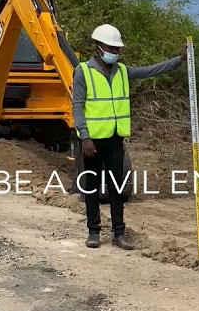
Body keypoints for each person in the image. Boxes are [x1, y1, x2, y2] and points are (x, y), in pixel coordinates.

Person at [71, 23, 183, 250]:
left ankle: (119, 233)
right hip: (91, 142)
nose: (115, 52)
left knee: (116, 187)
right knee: (91, 186)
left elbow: (151, 70)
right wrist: (85, 137)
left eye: (117, 48)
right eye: (111, 47)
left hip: (115, 140)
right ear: (99, 47)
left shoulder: (122, 71)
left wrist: (178, 61)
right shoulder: (83, 72)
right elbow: (78, 106)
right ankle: (93, 232)